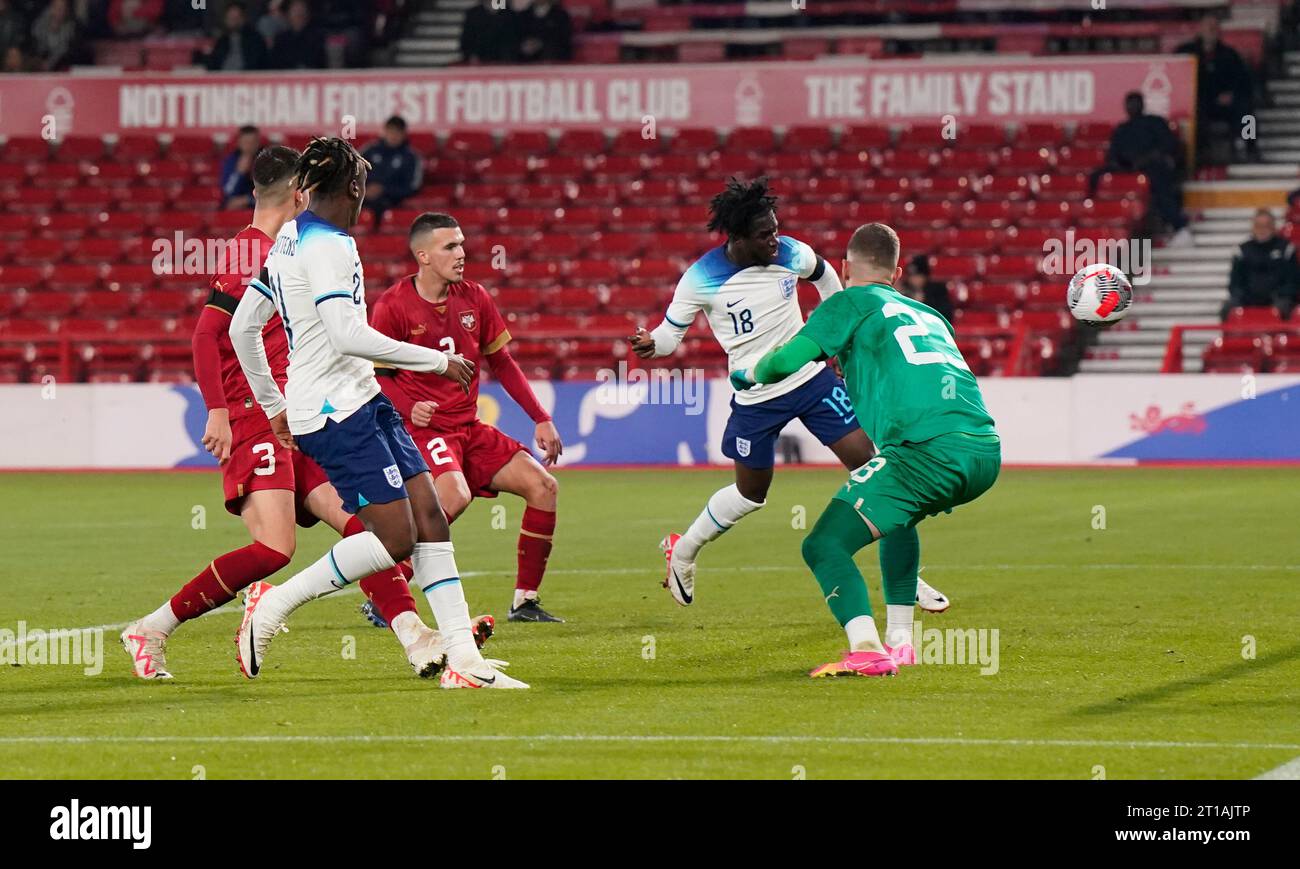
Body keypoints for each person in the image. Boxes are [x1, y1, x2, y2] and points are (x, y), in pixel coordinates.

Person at [120, 146, 473, 680]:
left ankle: (415, 634)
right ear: (298, 192)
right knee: (275, 548)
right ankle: (152, 628)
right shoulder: (253, 250)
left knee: (363, 527)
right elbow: (209, 334)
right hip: (256, 414)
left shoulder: (294, 242)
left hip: (304, 412)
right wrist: (218, 410)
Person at [229, 137, 527, 689]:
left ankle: (464, 661)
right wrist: (437, 361)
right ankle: (273, 604)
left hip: (361, 399)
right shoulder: (329, 246)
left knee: (431, 516)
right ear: (353, 186)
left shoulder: (290, 237)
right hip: (335, 413)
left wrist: (274, 405)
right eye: (363, 184)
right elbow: (347, 335)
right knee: (395, 539)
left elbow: (242, 326)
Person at [629, 177, 952, 613]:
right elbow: (670, 335)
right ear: (738, 237)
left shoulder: (790, 253)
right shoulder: (701, 279)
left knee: (873, 466)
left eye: (776, 229)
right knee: (751, 495)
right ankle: (683, 551)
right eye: (765, 234)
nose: (775, 240)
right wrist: (653, 345)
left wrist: (839, 333)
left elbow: (827, 275)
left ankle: (905, 577)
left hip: (810, 380)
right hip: (756, 393)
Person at [731, 223, 1001, 678]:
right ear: (897, 273)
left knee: (824, 545)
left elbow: (784, 363)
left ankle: (867, 650)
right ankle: (901, 641)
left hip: (925, 452)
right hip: (983, 451)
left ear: (843, 268)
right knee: (898, 518)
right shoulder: (929, 314)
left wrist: (750, 373)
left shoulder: (848, 302)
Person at [367, 212, 565, 624]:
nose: (461, 254)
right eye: (450, 246)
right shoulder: (392, 306)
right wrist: (408, 406)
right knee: (454, 495)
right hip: (424, 431)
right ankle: (387, 590)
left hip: (468, 429)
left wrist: (541, 417)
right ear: (423, 256)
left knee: (544, 486)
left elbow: (502, 362)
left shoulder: (475, 297)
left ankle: (525, 602)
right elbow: (376, 377)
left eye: (461, 244)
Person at [1099, 91, 1191, 246]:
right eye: (1130, 104)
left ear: (1142, 105)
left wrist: (1148, 158)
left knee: (1159, 182)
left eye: (1136, 103)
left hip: (1154, 167)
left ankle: (1180, 227)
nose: (1132, 107)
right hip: (1128, 170)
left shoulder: (1156, 123)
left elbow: (1169, 145)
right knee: (1098, 177)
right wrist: (1125, 165)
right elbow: (1113, 156)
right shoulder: (1121, 129)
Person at [1177, 15, 1259, 163]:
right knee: (1197, 112)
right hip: (1198, 102)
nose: (1211, 30)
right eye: (1208, 27)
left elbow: (1242, 80)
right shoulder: (1185, 51)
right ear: (1200, 29)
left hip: (1223, 103)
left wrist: (1231, 94)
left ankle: (1249, 147)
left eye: (1214, 28)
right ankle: (1201, 153)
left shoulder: (1229, 54)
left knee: (1248, 113)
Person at [1224, 209, 1297, 320]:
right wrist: (1245, 296)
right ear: (1252, 227)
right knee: (1227, 308)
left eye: (1266, 226)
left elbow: (1292, 281)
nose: (1262, 229)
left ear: (1273, 227)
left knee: (1285, 306)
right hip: (1247, 299)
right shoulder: (1242, 251)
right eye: (1258, 226)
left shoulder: (1286, 249)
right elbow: (1235, 284)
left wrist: (1279, 294)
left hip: (1278, 298)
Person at [361, 116, 423, 226]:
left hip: (394, 200)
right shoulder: (369, 151)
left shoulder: (411, 157)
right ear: (384, 131)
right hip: (364, 195)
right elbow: (352, 173)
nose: (393, 135)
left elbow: (413, 186)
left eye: (397, 132)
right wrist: (364, 190)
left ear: (404, 134)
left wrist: (384, 190)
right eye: (390, 131)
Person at [205, 1, 268, 71]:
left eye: (235, 18)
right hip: (222, 75)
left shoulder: (254, 39)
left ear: (242, 19)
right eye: (229, 18)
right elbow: (214, 63)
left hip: (245, 75)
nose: (231, 21)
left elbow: (256, 63)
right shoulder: (223, 40)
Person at [270, 0, 326, 69]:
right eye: (295, 9)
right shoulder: (281, 39)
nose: (299, 12)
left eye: (302, 8)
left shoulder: (318, 38)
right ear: (287, 13)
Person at [32, 0, 86, 70]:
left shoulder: (72, 27)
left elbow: (64, 49)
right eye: (56, 7)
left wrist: (50, 63)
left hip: (63, 64)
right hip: (41, 60)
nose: (59, 10)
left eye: (62, 8)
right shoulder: (41, 23)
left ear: (67, 10)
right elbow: (36, 42)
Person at [460, 0, 519, 64]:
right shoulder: (474, 13)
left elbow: (513, 40)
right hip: (479, 62)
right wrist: (471, 55)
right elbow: (466, 39)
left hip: (505, 62)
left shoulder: (509, 13)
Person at [901, 255, 953, 324]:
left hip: (933, 325)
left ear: (925, 276)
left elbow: (947, 315)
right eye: (911, 276)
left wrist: (925, 301)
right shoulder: (904, 290)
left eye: (918, 276)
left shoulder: (938, 289)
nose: (914, 279)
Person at [220, 125, 261, 209]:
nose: (249, 146)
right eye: (246, 142)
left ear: (258, 143)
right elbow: (228, 192)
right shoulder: (231, 161)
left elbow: (273, 194)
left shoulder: (266, 160)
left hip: (261, 206)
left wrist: (247, 200)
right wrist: (239, 173)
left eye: (252, 142)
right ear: (239, 143)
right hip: (237, 207)